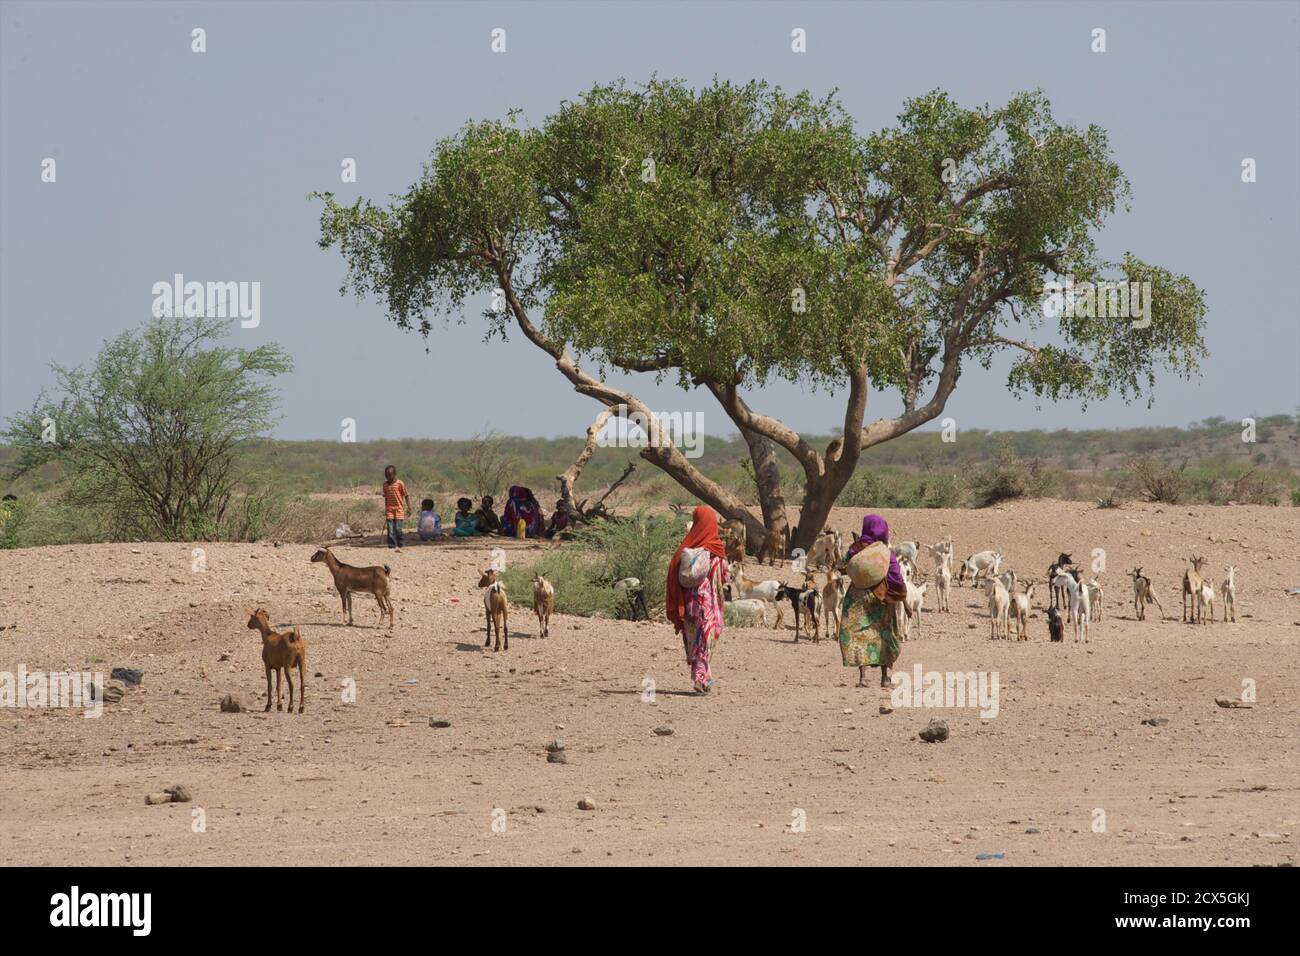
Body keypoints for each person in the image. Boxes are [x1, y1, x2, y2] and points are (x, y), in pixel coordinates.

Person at [838, 514, 908, 689]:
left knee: (859, 635)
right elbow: (896, 577)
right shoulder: (885, 552)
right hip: (880, 596)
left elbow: (842, 566)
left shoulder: (855, 549)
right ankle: (885, 679)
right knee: (884, 634)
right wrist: (901, 599)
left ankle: (863, 679)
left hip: (857, 596)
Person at [665, 506, 730, 694]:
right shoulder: (716, 548)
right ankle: (701, 678)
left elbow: (674, 574)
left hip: (688, 604)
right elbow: (725, 577)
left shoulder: (686, 548)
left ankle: (702, 677)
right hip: (708, 605)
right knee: (705, 640)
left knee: (694, 640)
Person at [382, 465, 410, 550]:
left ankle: (401, 544)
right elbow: (386, 497)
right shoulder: (385, 485)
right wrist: (386, 509)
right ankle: (391, 545)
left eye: (390, 475)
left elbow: (406, 495)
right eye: (386, 475)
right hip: (390, 510)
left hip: (399, 509)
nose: (388, 477)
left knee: (398, 529)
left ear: (395, 474)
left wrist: (409, 507)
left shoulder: (400, 483)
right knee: (390, 529)